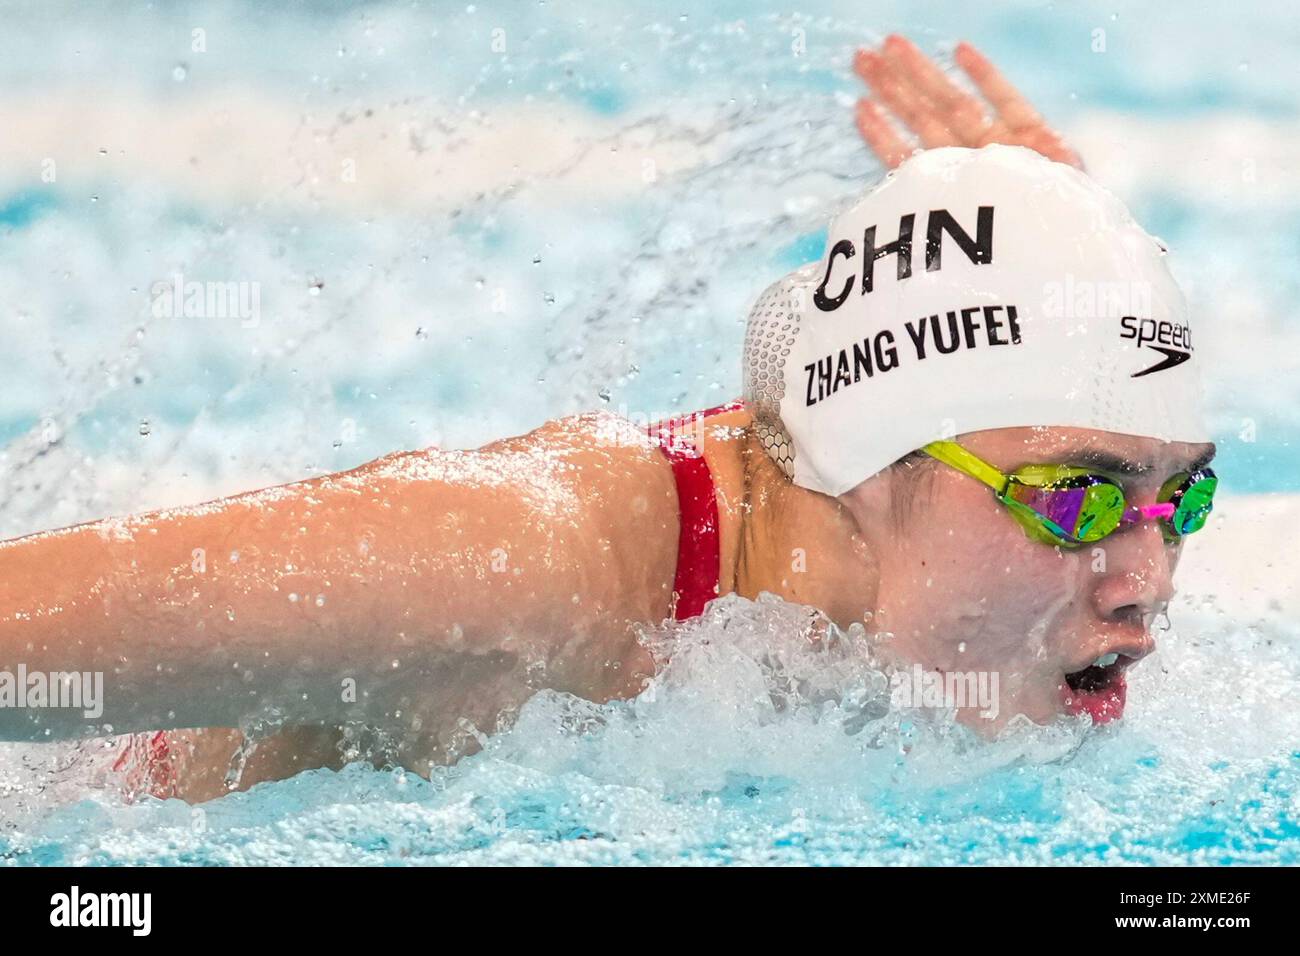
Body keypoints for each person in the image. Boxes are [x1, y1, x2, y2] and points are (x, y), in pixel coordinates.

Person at [0, 36, 1216, 803]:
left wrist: (1060, 262)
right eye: (1078, 496)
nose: (1147, 577)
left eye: (1180, 498)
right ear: (862, 452)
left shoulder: (907, 582)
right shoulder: (504, 571)